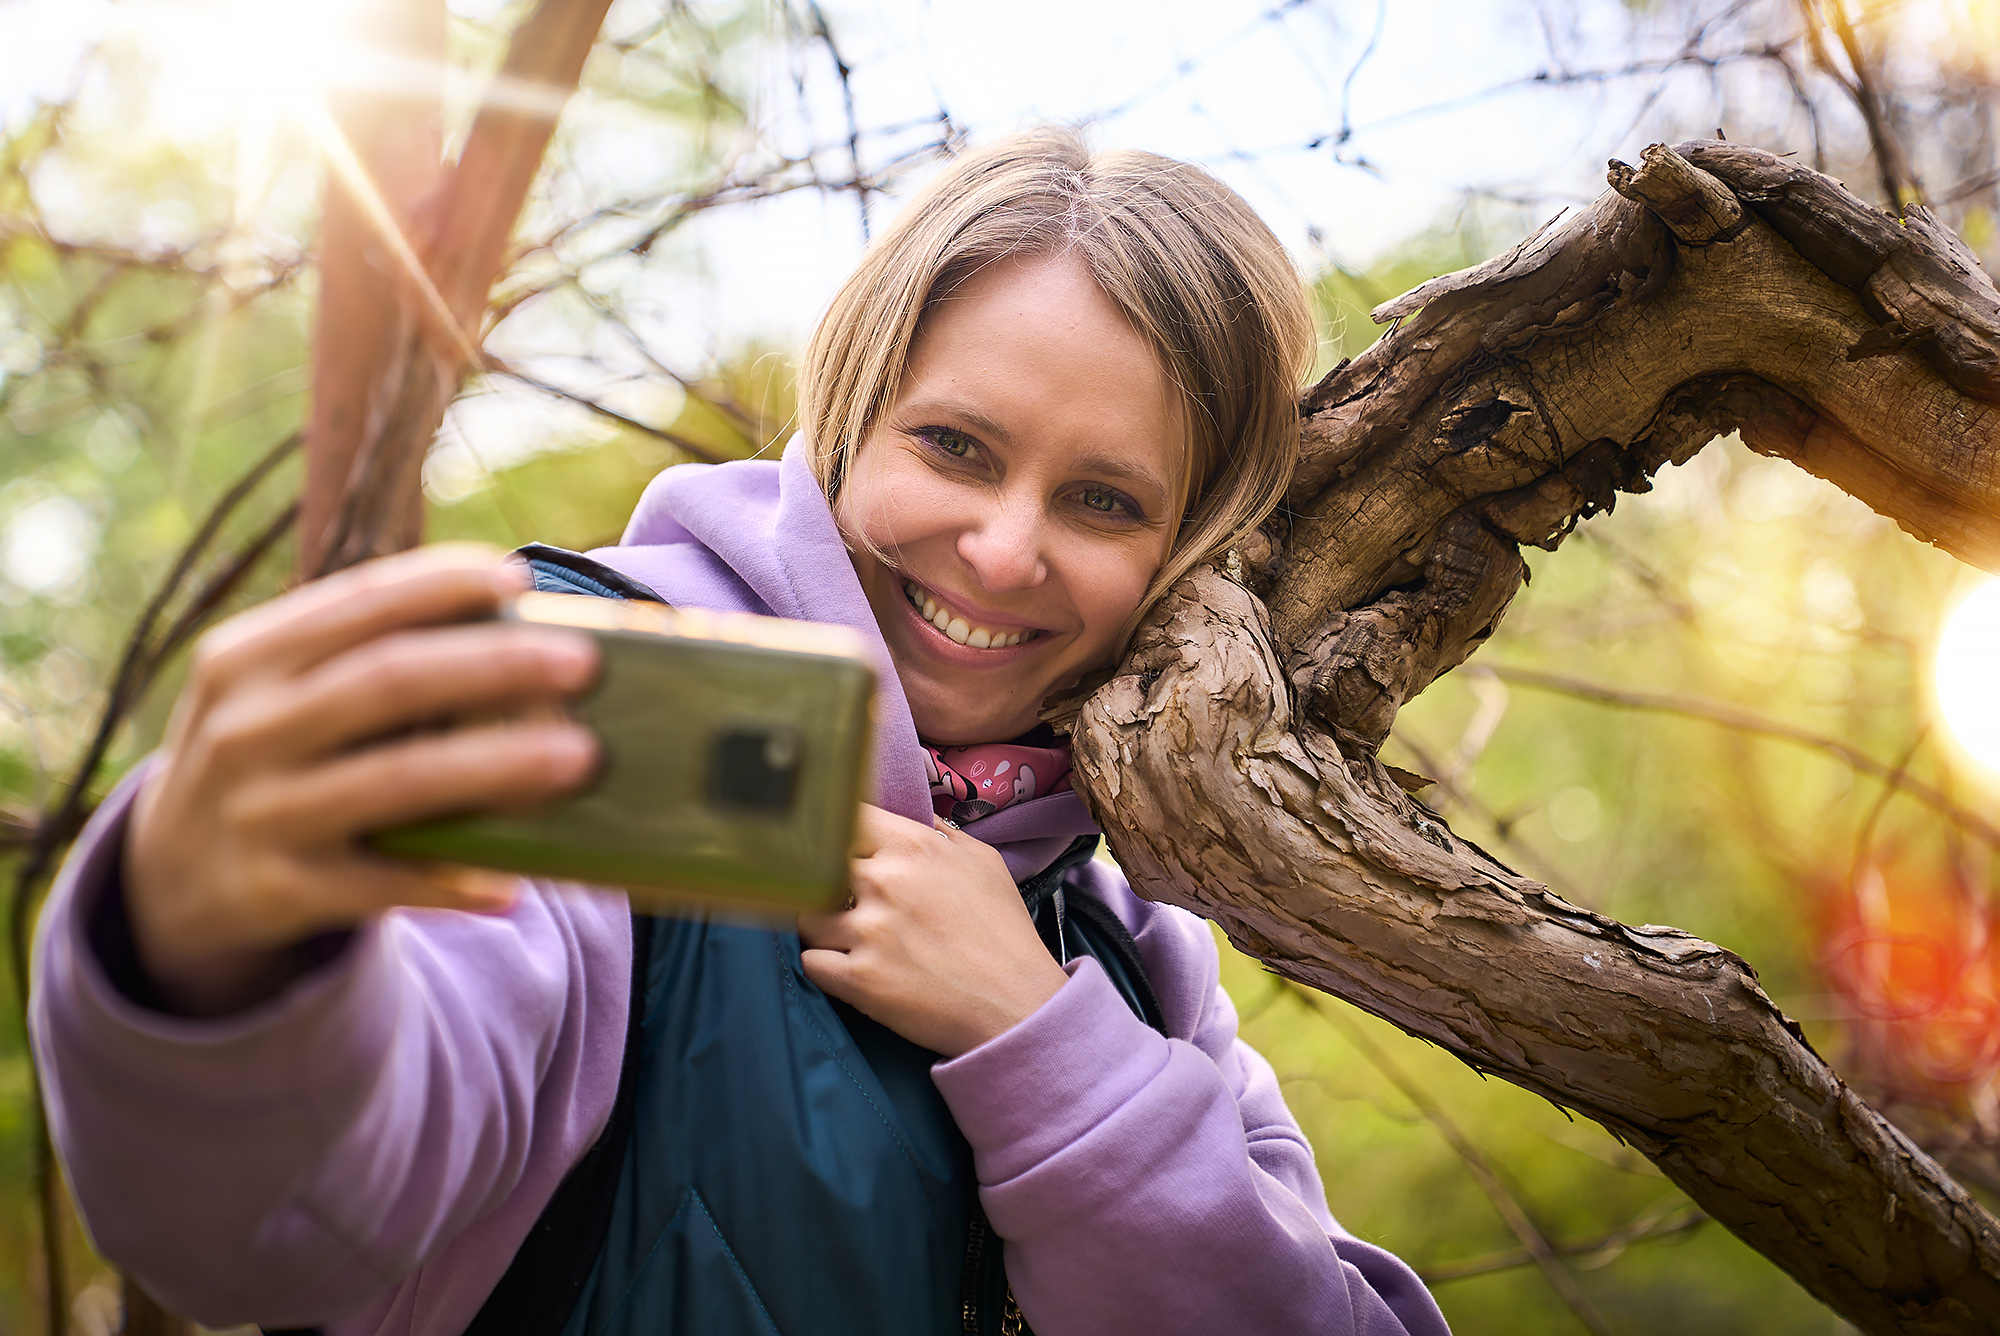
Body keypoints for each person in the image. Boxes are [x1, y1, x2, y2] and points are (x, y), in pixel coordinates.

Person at [30, 127, 1450, 1336]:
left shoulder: (1130, 937)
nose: (1003, 551)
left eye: (1103, 502)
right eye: (953, 446)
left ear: (1184, 548)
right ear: (848, 421)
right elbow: (279, 1221)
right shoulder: (596, 701)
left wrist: (1043, 1046)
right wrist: (207, 960)